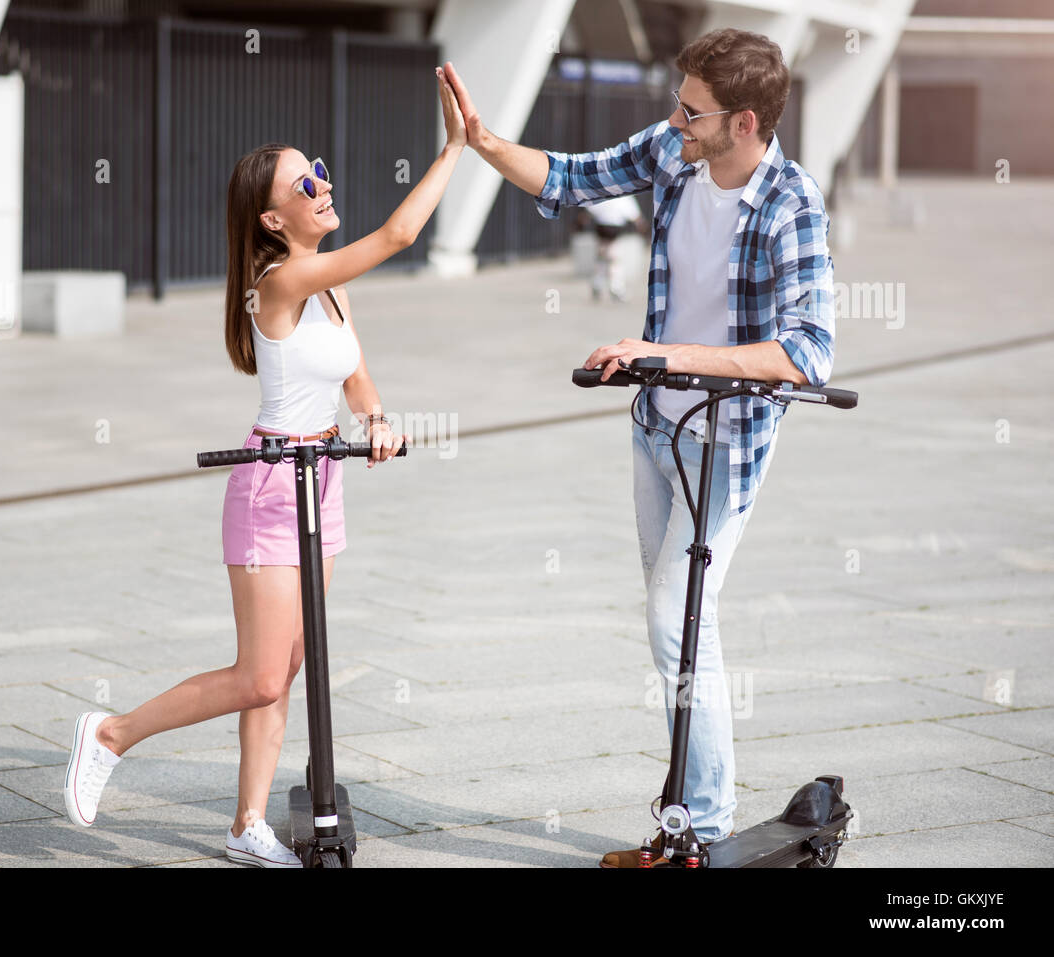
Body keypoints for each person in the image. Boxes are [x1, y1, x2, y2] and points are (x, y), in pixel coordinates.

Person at [443, 27, 835, 867]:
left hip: (725, 443)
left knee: (677, 620)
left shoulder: (790, 202)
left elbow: (807, 353)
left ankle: (704, 825)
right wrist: (484, 143)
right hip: (656, 428)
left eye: (692, 111)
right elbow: (575, 178)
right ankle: (687, 821)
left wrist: (666, 356)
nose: (673, 120)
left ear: (745, 124)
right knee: (681, 628)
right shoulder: (672, 153)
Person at [63, 68, 469, 867]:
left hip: (325, 477)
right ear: (273, 218)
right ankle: (110, 733)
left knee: (286, 666)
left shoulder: (330, 289)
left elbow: (356, 375)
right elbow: (397, 238)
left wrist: (377, 420)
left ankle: (246, 823)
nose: (321, 184)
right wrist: (456, 147)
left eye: (318, 170)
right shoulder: (280, 280)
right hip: (269, 487)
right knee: (257, 674)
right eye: (302, 183)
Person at [584, 193, 646, 302]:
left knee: (603, 258)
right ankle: (615, 288)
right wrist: (642, 227)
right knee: (614, 260)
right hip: (612, 230)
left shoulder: (603, 192)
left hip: (603, 230)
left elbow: (590, 211)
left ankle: (598, 284)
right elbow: (635, 215)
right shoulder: (624, 196)